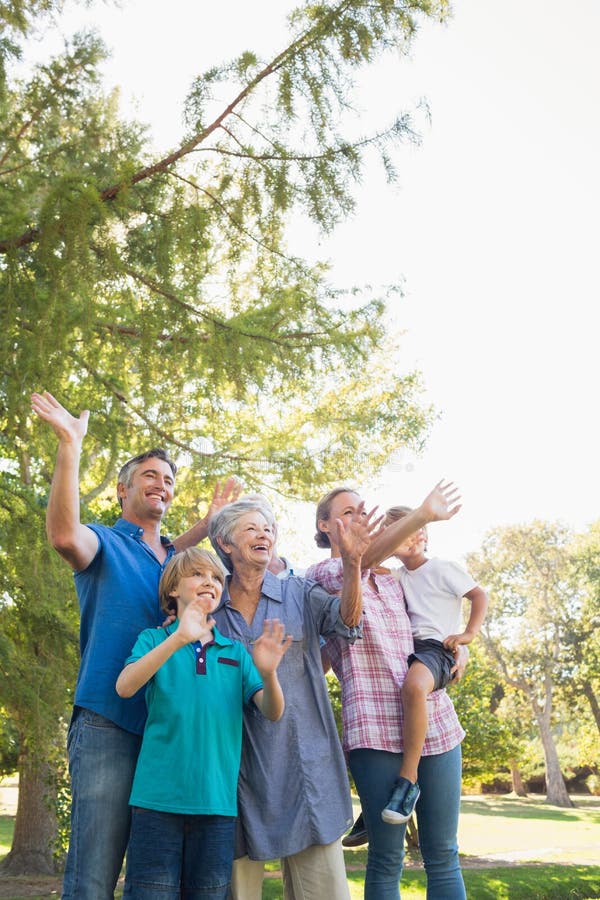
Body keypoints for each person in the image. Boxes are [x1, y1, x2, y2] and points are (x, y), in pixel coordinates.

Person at [31, 390, 240, 900]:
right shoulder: (104, 542)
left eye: (169, 481)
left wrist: (213, 520)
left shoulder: (172, 560)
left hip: (163, 734)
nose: (161, 485)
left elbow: (177, 553)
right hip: (109, 722)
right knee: (94, 875)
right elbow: (63, 535)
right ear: (124, 489)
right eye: (150, 476)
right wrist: (69, 446)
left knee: (151, 881)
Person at [306, 482, 468, 900]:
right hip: (374, 729)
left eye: (363, 510)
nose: (359, 517)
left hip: (434, 721)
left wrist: (456, 652)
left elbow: (431, 630)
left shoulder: (397, 582)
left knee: (443, 852)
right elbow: (356, 565)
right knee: (386, 857)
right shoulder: (320, 576)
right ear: (324, 526)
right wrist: (421, 514)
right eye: (346, 512)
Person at [207, 496, 375, 900]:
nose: (263, 534)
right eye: (250, 528)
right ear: (225, 545)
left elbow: (346, 622)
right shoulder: (210, 606)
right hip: (234, 774)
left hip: (306, 772)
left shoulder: (300, 592)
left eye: (268, 529)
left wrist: (352, 565)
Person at [116, 547, 291, 899]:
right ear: (173, 590)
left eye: (215, 577)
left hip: (215, 807)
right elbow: (125, 686)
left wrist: (269, 674)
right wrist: (180, 637)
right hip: (156, 803)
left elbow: (273, 711)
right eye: (198, 574)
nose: (209, 582)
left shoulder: (235, 652)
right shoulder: (154, 640)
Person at [381, 505, 488, 825]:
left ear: (425, 533)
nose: (410, 537)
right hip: (408, 650)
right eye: (399, 533)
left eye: (415, 529)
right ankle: (377, 797)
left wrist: (468, 634)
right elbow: (367, 565)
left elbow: (479, 595)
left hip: (438, 649)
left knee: (413, 687)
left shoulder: (443, 567)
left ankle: (408, 780)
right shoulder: (397, 577)